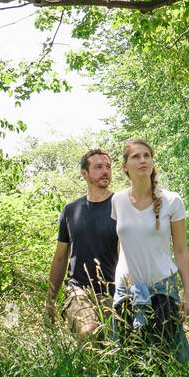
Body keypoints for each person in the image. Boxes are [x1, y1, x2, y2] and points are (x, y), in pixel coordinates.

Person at [110, 139, 189, 377]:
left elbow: (180, 250)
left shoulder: (171, 200)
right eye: (136, 157)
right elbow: (122, 242)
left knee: (159, 362)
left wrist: (187, 293)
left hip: (161, 290)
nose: (143, 160)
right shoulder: (118, 201)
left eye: (147, 155)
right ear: (125, 166)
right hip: (127, 292)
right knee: (132, 361)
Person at [46, 147, 119, 344]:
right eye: (98, 167)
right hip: (78, 291)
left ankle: (93, 375)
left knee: (115, 348)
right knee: (89, 331)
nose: (105, 171)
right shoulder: (70, 211)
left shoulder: (122, 206)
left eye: (108, 167)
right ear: (84, 173)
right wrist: (50, 301)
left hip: (113, 293)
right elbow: (60, 258)